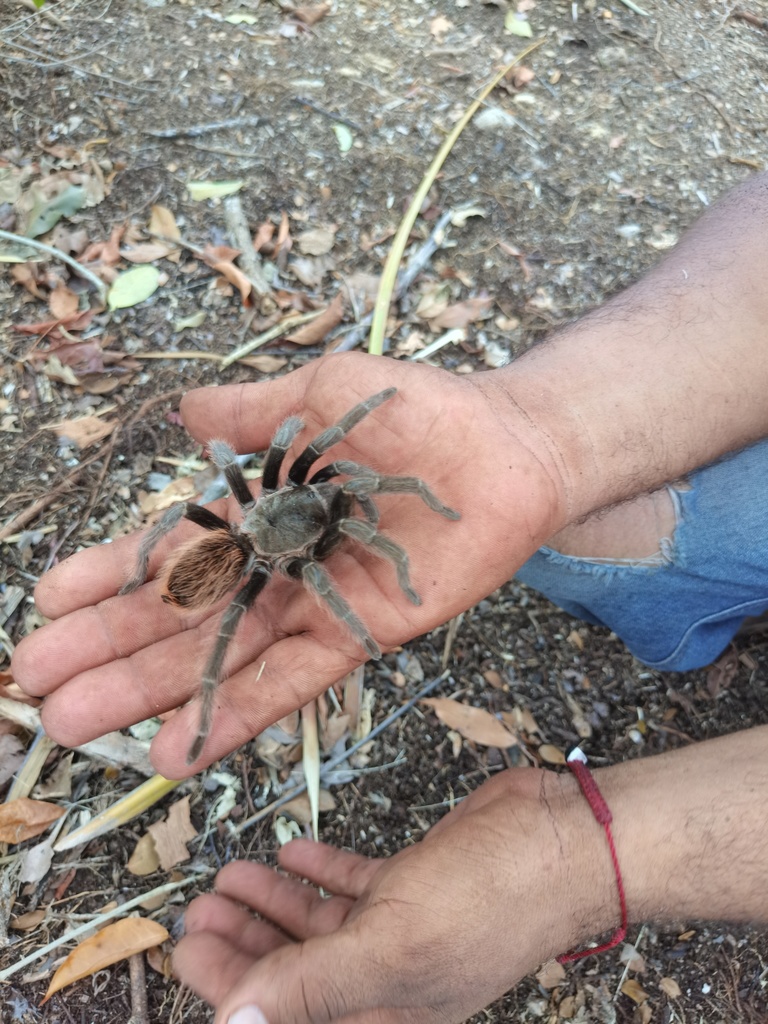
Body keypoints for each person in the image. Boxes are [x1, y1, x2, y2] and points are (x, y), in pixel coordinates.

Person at [12, 172, 768, 1024]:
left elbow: (304, 445)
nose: (340, 493)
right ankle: (692, 623)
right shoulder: (308, 528)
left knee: (546, 536)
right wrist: (519, 430)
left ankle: (697, 616)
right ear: (270, 490)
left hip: (254, 537)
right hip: (246, 556)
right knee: (542, 544)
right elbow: (311, 464)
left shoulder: (278, 491)